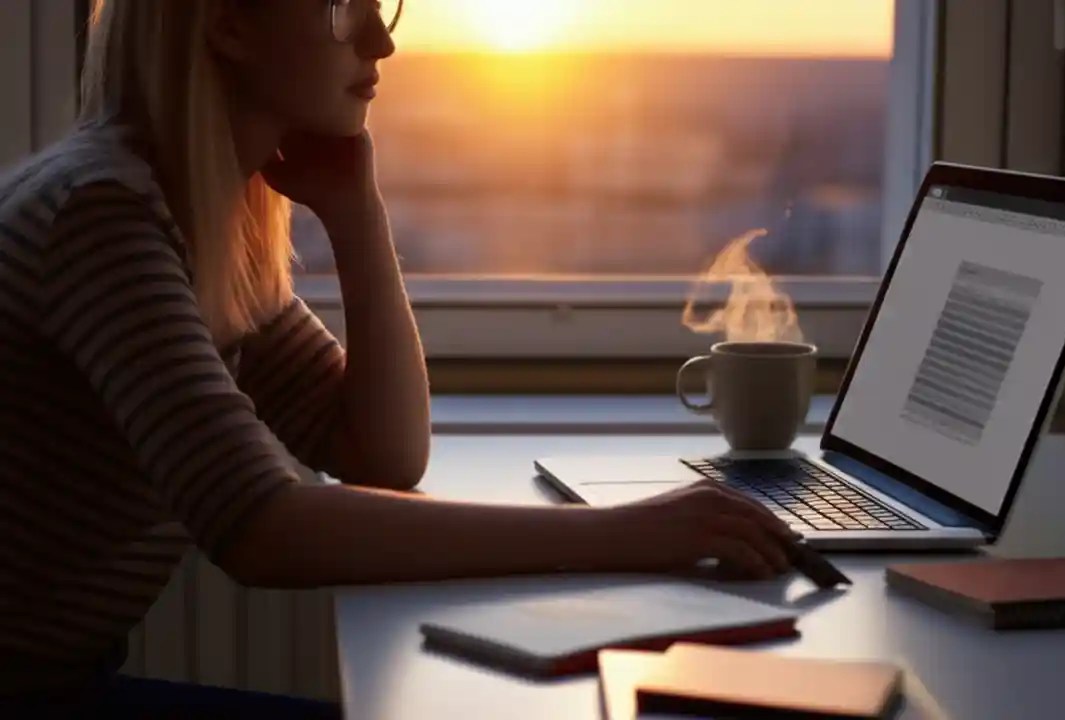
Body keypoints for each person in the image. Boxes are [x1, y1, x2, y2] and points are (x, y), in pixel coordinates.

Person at [0, 0, 798, 715]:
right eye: (344, 8)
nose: (380, 42)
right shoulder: (101, 213)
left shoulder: (200, 220)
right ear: (231, 26)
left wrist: (357, 215)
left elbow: (381, 453)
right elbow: (263, 530)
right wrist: (629, 534)